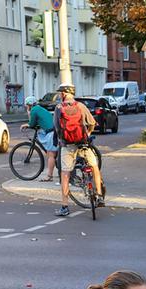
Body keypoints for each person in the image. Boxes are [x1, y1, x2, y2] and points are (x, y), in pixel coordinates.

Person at [53, 84, 104, 217]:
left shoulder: (59, 108)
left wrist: (61, 139)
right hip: (83, 143)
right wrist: (87, 133)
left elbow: (57, 128)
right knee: (94, 166)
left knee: (65, 174)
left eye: (60, 93)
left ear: (64, 94)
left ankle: (64, 207)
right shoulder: (81, 106)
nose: (59, 95)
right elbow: (92, 123)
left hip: (68, 145)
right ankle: (99, 196)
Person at [22, 95, 57, 183]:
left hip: (51, 133)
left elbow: (31, 123)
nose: (26, 107)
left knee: (51, 155)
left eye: (27, 105)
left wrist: (27, 118)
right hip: (53, 131)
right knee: (51, 153)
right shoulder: (39, 108)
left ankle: (49, 176)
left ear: (29, 105)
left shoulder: (34, 110)